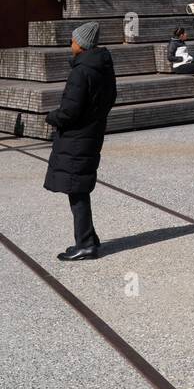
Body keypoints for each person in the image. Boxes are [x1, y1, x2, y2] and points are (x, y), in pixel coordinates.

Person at [44, 20, 117, 261]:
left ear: (82, 45)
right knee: (79, 187)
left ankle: (85, 244)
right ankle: (90, 239)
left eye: (74, 40)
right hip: (92, 133)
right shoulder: (102, 67)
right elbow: (109, 99)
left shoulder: (81, 71)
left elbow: (69, 111)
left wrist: (51, 117)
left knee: (76, 190)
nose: (71, 43)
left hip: (77, 138)